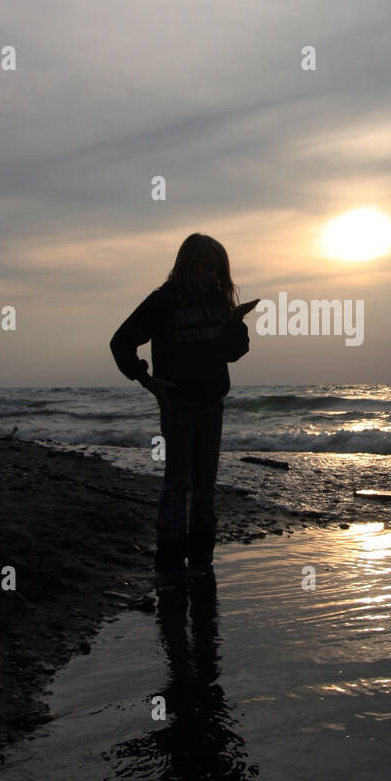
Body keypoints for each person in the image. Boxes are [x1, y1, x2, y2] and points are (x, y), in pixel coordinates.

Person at [109, 234, 253, 588]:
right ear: (188, 265)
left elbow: (235, 352)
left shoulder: (218, 303)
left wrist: (235, 321)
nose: (213, 277)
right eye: (207, 268)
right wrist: (146, 379)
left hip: (212, 403)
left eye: (218, 271)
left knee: (206, 485)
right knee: (177, 485)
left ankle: (202, 561)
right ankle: (170, 563)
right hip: (179, 404)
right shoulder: (163, 302)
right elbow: (121, 341)